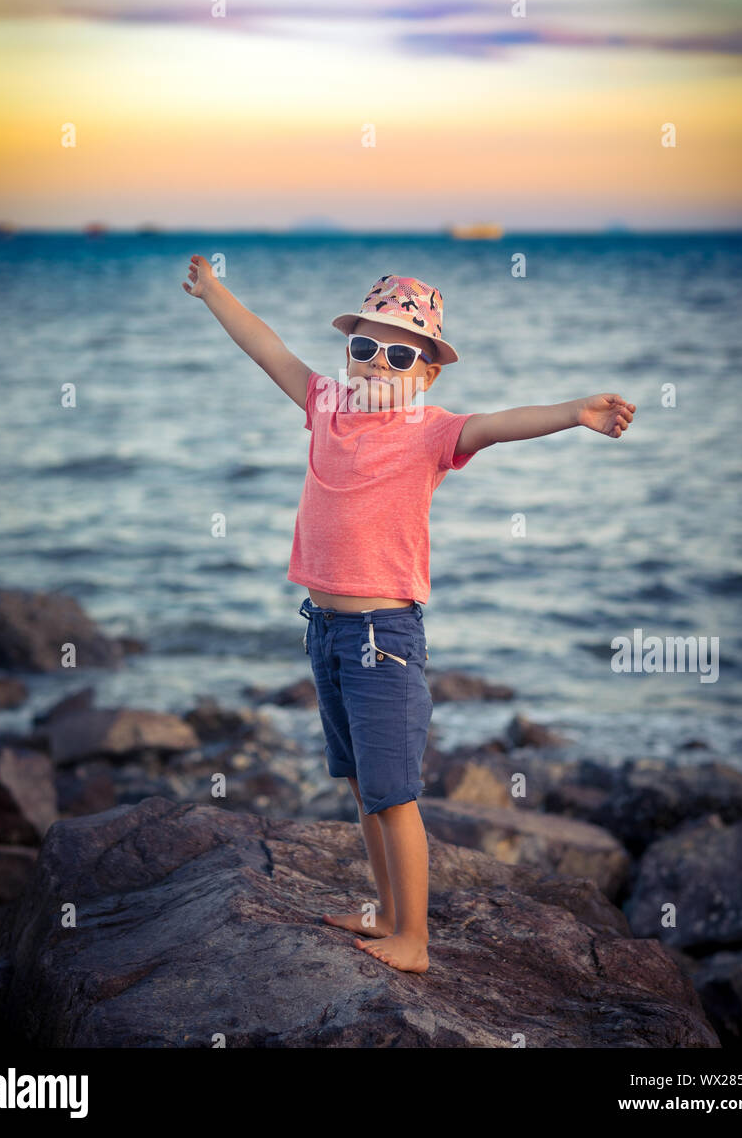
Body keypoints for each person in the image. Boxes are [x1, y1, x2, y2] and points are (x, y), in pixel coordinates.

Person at [183, 263, 635, 973]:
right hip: (325, 628)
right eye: (365, 348)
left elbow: (497, 424)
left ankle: (415, 941)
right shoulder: (326, 405)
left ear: (426, 375)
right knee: (363, 784)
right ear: (349, 353)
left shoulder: (431, 433)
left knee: (395, 794)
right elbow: (267, 347)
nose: (377, 364)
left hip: (382, 638)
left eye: (399, 355)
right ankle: (387, 913)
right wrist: (215, 294)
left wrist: (574, 412)